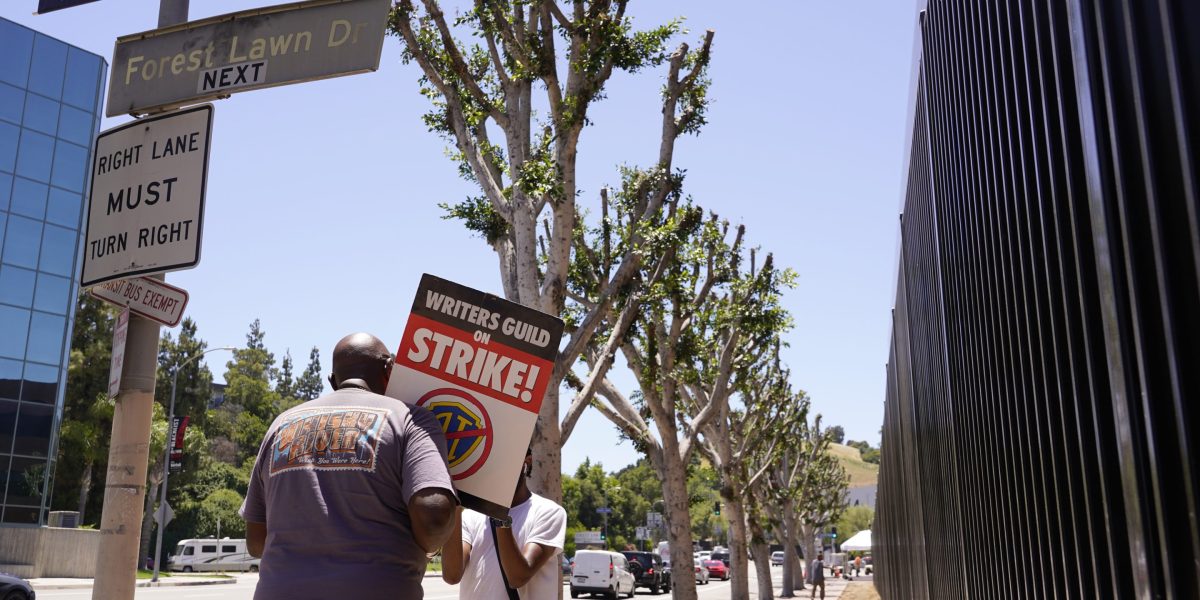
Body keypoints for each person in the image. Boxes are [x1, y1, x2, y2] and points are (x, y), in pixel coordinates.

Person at [240, 333, 457, 599]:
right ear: (390, 370)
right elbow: (434, 519)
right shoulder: (410, 419)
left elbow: (256, 541)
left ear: (333, 381)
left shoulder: (281, 424)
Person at [441, 447, 568, 600]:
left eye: (506, 460)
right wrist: (454, 505)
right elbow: (452, 576)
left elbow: (517, 577)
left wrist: (499, 513)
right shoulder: (469, 516)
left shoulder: (549, 512)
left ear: (527, 461)